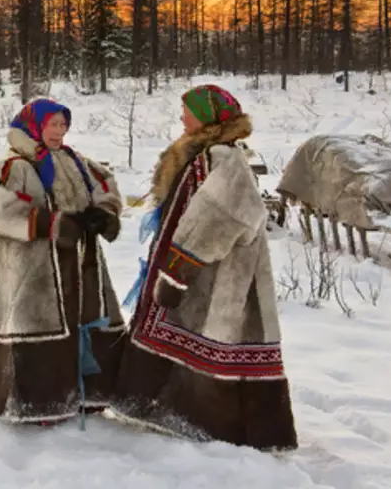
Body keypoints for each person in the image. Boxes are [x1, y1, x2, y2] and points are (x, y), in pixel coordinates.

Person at [111, 84, 298, 451]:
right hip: (204, 272)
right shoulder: (203, 154)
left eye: (188, 111)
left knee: (219, 336)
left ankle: (225, 426)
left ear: (207, 116)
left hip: (220, 274)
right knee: (193, 333)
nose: (182, 117)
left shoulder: (223, 159)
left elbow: (220, 217)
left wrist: (179, 268)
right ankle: (180, 412)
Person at [0, 97, 126, 426]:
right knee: (40, 327)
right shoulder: (15, 165)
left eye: (63, 124)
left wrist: (105, 213)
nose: (59, 131)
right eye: (52, 124)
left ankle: (89, 395)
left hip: (82, 264)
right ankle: (38, 406)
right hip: (36, 270)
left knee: (86, 319)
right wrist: (48, 224)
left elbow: (105, 184)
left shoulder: (73, 160)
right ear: (34, 125)